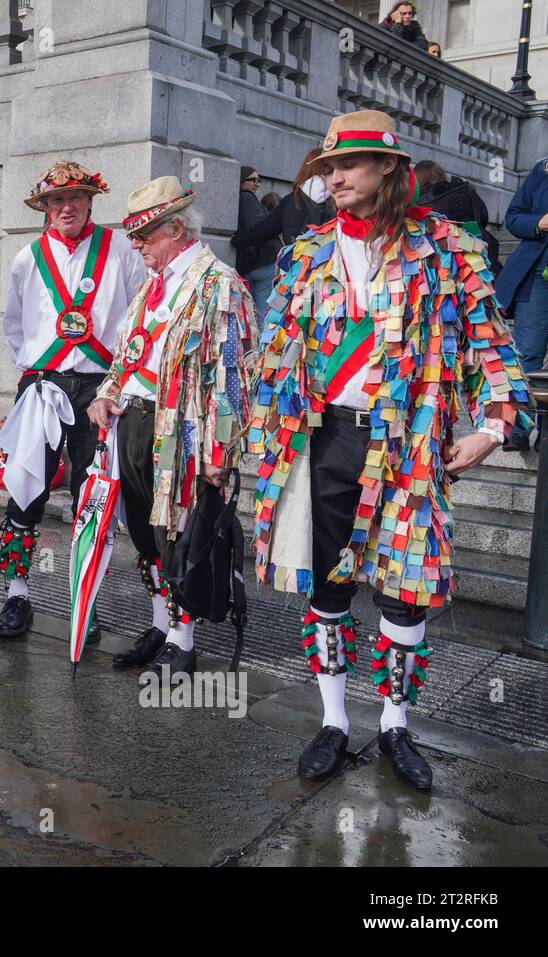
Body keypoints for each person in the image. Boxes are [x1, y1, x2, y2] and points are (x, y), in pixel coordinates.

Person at [248, 110, 529, 791]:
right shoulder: (306, 252)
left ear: (388, 169)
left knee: (406, 593)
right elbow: (278, 354)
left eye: (348, 165)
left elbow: (493, 344)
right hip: (326, 439)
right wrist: (263, 441)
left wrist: (492, 428)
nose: (334, 176)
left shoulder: (449, 247)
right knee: (329, 585)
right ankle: (335, 721)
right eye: (327, 167)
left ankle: (396, 725)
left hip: (410, 443)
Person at [88, 176, 257, 678]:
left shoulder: (220, 285)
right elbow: (128, 355)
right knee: (144, 534)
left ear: (176, 229)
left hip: (182, 433)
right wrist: (106, 394)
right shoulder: (150, 287)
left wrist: (221, 450)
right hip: (133, 425)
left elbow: (234, 378)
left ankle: (183, 643)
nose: (135, 245)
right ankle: (161, 624)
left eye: (143, 235)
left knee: (178, 536)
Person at [0, 161, 144, 641]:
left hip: (102, 388)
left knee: (90, 496)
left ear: (90, 202)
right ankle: (18, 594)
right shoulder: (27, 257)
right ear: (45, 207)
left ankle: (85, 600)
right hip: (45, 383)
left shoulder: (120, 248)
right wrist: (37, 367)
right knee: (26, 490)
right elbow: (14, 322)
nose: (66, 207)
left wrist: (121, 380)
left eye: (74, 198)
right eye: (56, 200)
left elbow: (139, 310)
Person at [494, 153, 548, 449]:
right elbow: (513, 217)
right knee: (528, 352)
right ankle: (520, 426)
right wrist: (539, 222)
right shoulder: (543, 168)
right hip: (539, 271)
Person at [231, 147, 335, 264]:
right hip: (330, 272)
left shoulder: (292, 200)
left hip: (297, 270)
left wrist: (234, 240)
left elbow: (264, 230)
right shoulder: (339, 199)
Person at [415, 159, 499, 270]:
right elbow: (483, 217)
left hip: (445, 264)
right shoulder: (465, 191)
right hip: (476, 255)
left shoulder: (421, 203)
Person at [235, 166, 280, 308]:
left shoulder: (244, 199)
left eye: (259, 180)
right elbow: (255, 230)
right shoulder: (247, 198)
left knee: (252, 311)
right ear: (241, 180)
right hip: (264, 263)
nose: (257, 184)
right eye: (253, 180)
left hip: (253, 265)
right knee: (263, 313)